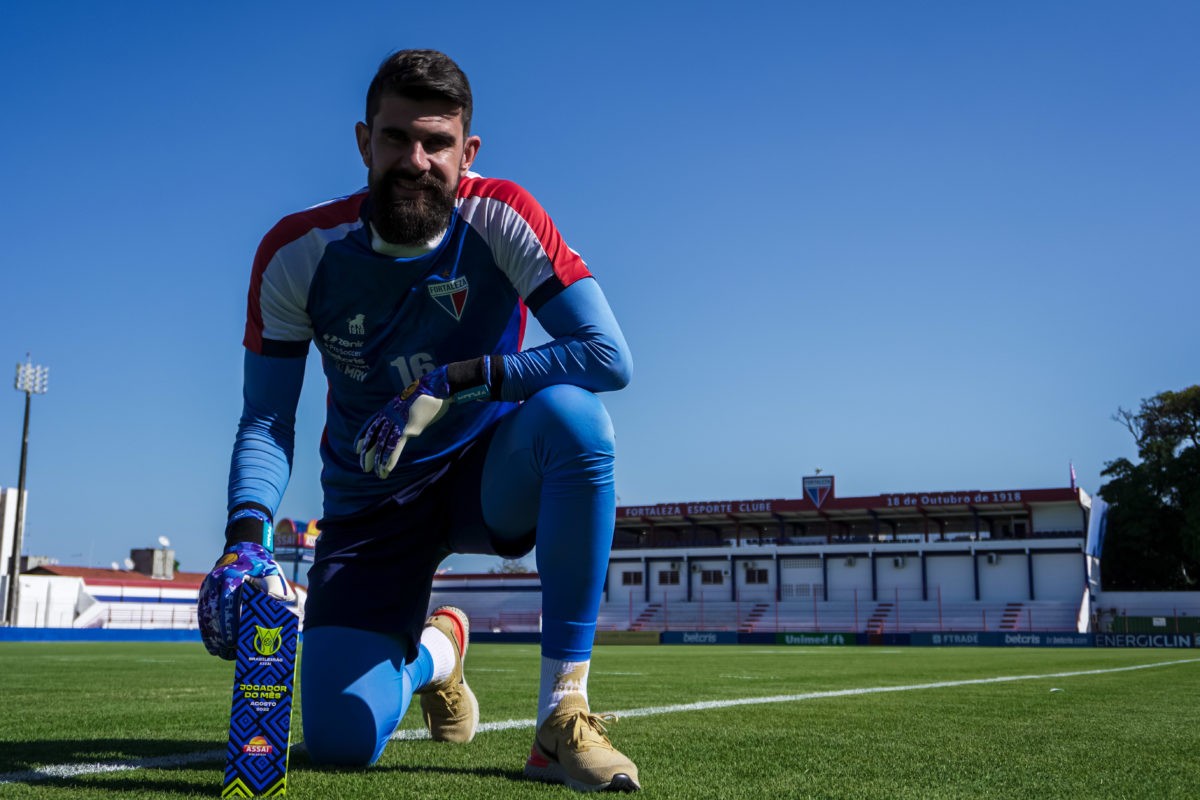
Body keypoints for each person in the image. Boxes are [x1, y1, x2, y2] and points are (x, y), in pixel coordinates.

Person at [197, 49, 639, 793]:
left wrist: (471, 376)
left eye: (436, 143)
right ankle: (440, 649)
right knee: (340, 741)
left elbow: (607, 357)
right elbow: (268, 419)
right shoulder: (298, 253)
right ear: (364, 141)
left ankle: (563, 715)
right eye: (398, 138)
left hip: (483, 475)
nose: (416, 159)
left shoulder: (501, 215)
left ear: (466, 154)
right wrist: (245, 538)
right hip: (371, 508)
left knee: (577, 422)